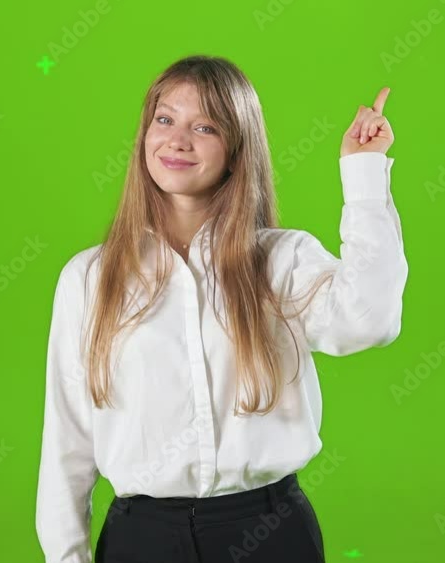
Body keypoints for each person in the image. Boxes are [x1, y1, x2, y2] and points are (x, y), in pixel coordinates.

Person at [36, 54, 407, 563]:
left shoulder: (282, 260)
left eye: (204, 126)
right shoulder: (91, 277)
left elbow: (370, 321)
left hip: (269, 534)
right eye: (164, 120)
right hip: (141, 541)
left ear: (236, 151)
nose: (178, 140)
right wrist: (67, 556)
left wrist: (363, 172)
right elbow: (67, 441)